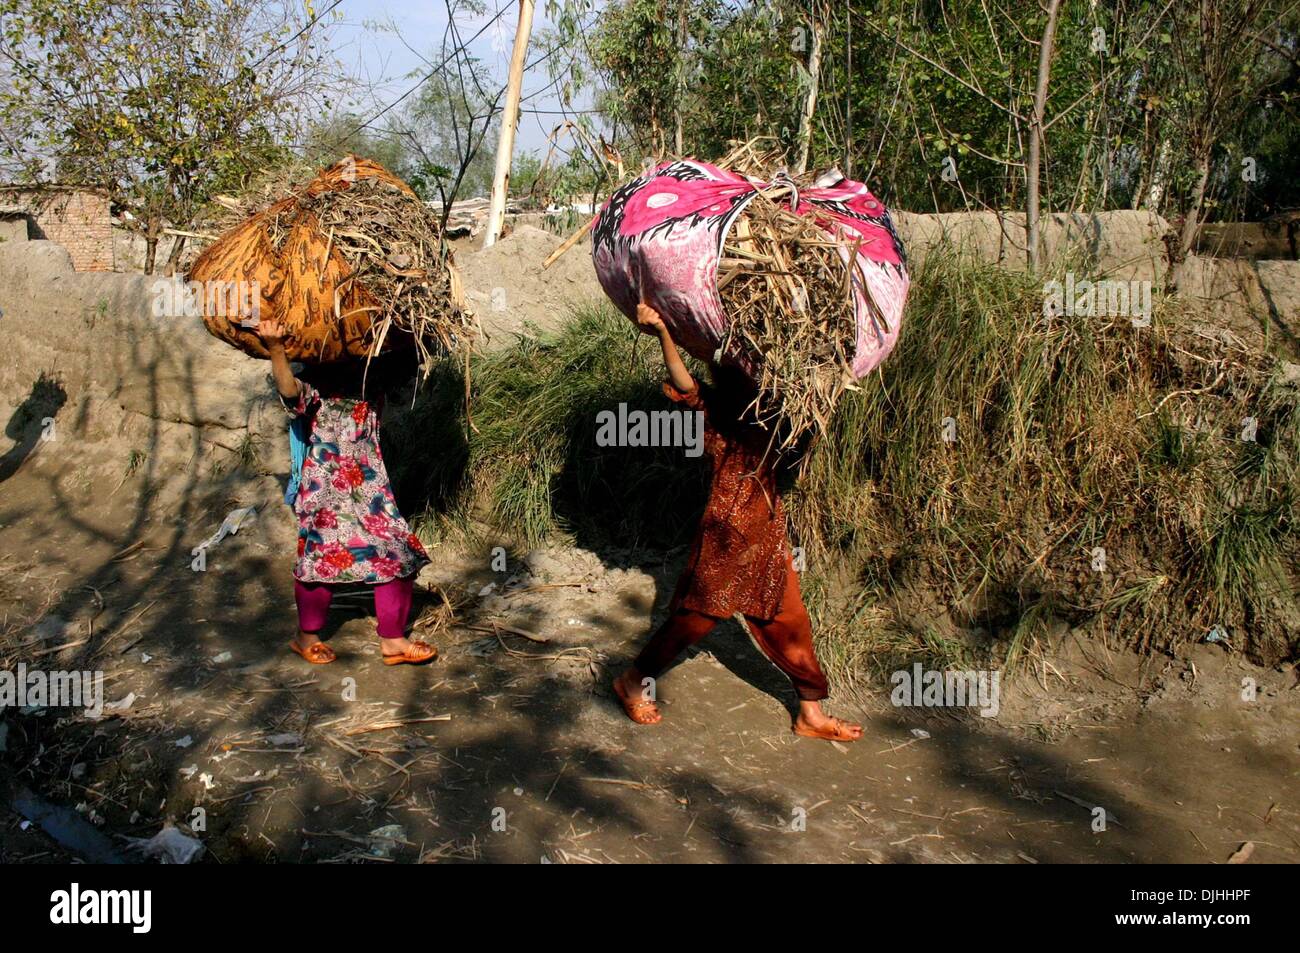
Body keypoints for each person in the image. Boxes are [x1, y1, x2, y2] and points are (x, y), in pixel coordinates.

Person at [612, 302, 863, 742]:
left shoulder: (781, 407)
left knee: (791, 620)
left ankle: (810, 712)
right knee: (695, 618)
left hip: (767, 530)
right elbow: (684, 382)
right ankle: (633, 680)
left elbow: (818, 392)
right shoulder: (718, 413)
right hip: (727, 532)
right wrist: (664, 334)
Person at [257, 317, 436, 665]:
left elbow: (409, 360)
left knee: (397, 551)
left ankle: (393, 641)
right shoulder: (316, 389)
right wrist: (276, 349)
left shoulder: (373, 387)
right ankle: (305, 636)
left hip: (370, 487)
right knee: (320, 558)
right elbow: (289, 393)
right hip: (325, 489)